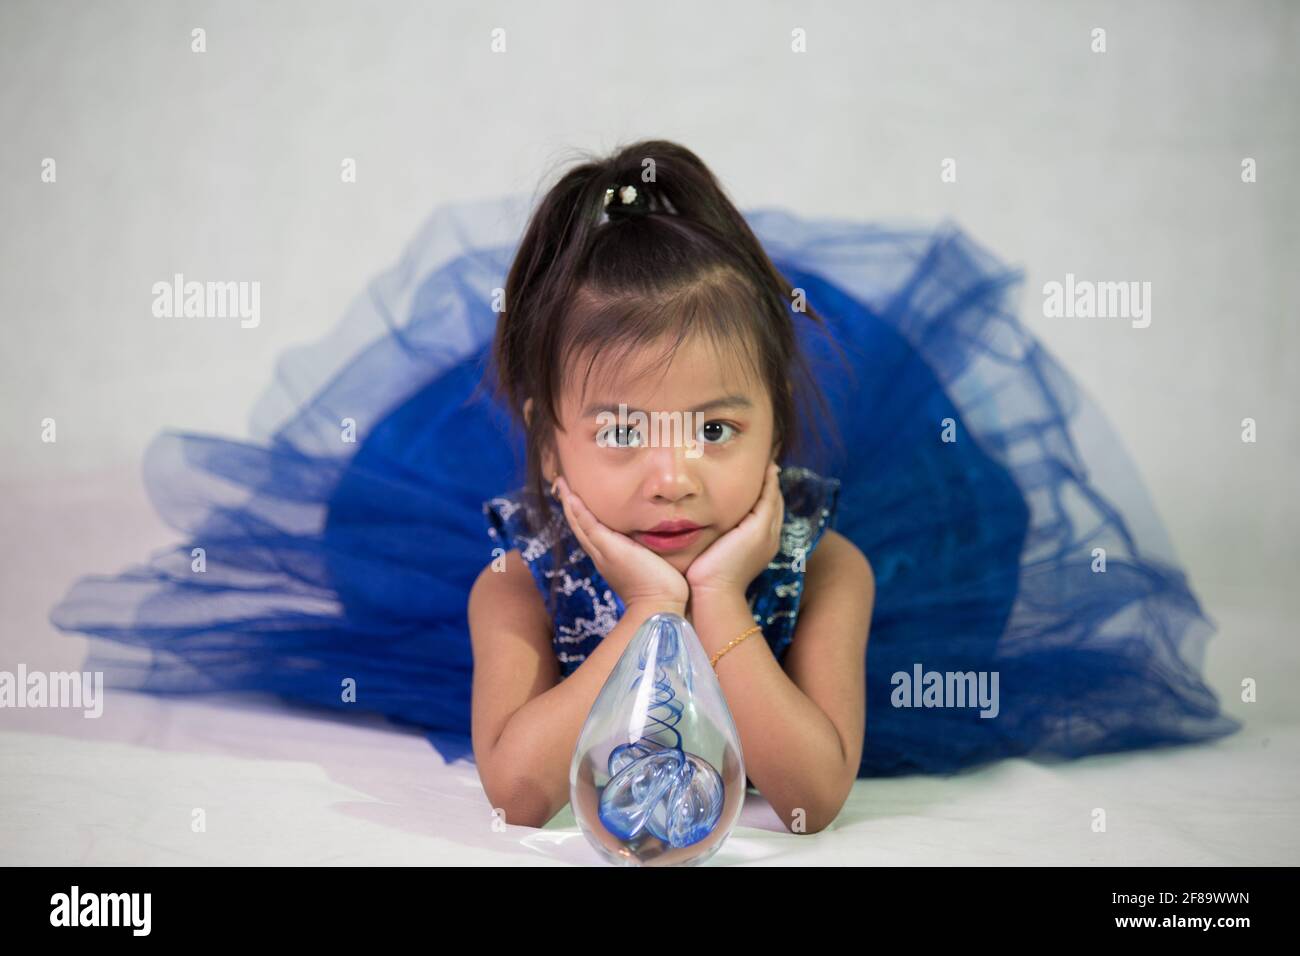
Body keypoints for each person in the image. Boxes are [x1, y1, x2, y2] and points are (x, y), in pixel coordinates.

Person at [49, 140, 1241, 830]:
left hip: (759, 609)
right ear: (550, 441)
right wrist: (646, 612)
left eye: (717, 427)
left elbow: (813, 795)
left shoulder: (826, 567)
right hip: (598, 606)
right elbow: (521, 795)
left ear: (775, 425)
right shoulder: (518, 586)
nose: (673, 470)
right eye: (619, 426)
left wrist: (720, 601)